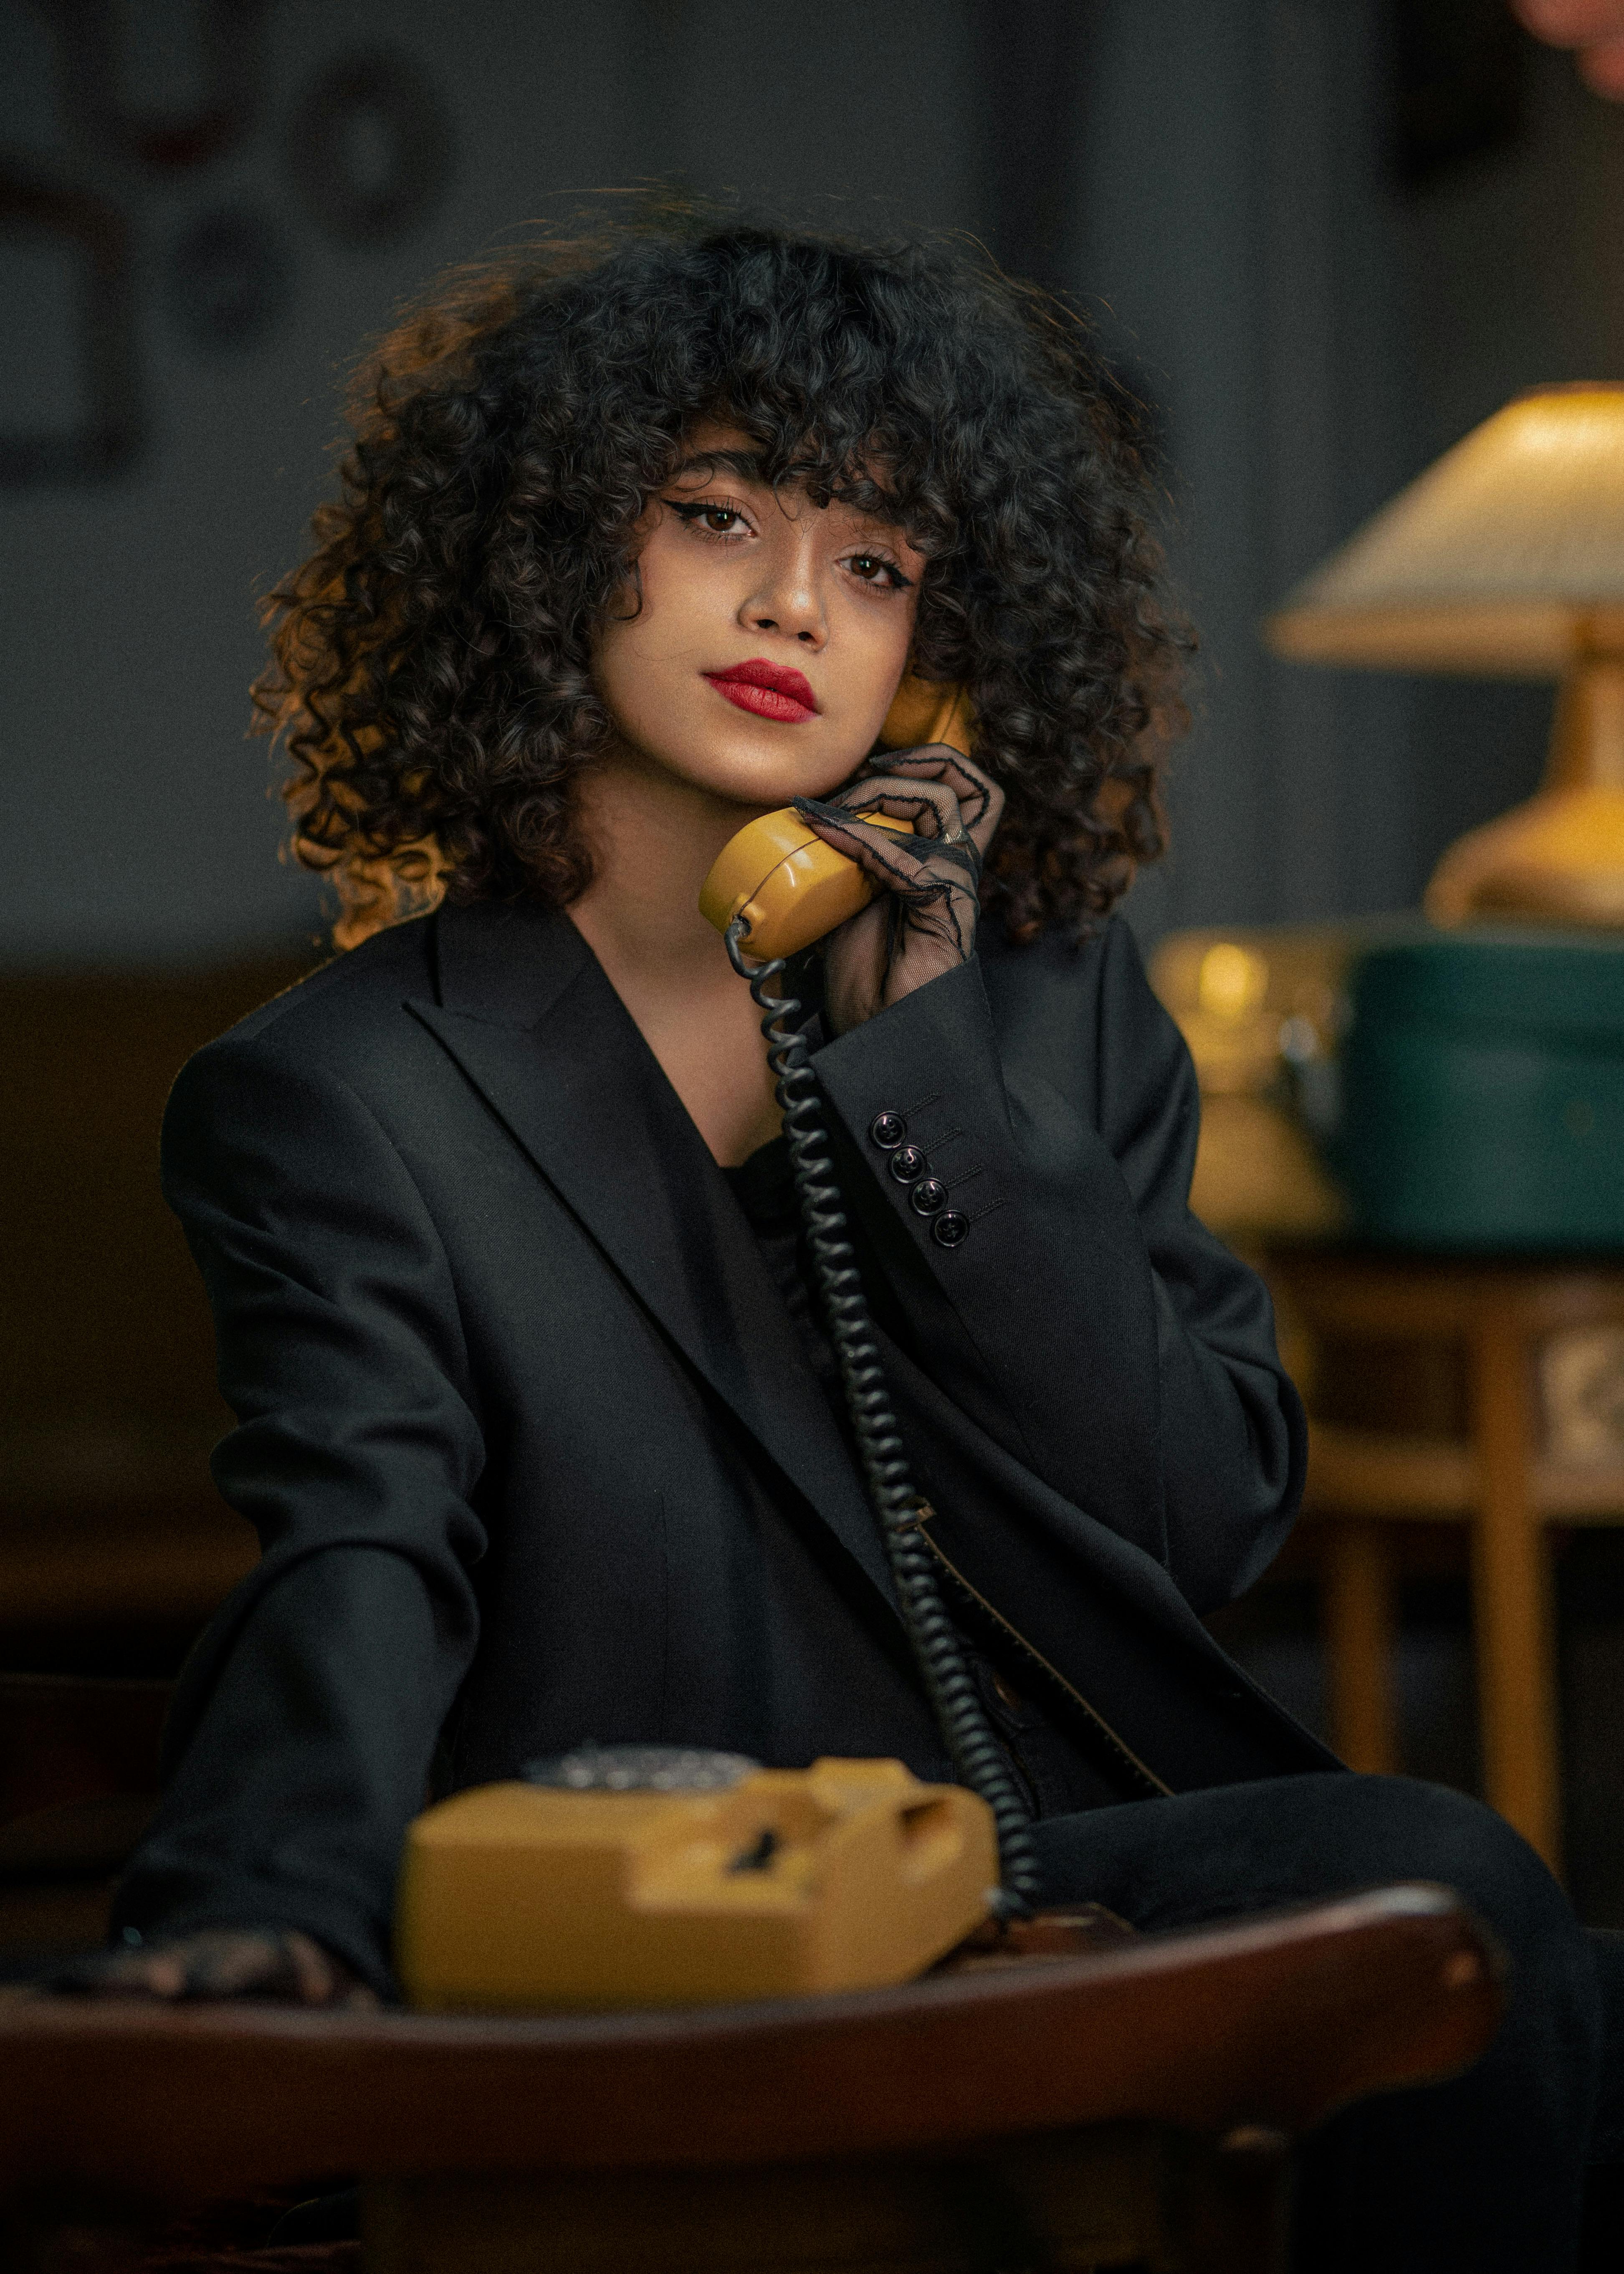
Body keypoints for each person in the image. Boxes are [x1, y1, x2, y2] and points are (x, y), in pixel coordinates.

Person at [66, 217, 1621, 2268]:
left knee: (1517, 1952)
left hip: (1059, 1845)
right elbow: (362, 1544)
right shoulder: (344, 1092)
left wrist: (931, 1077)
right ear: (540, 555)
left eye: (876, 564)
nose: (796, 601)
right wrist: (257, 1908)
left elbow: (1207, 1512)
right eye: (716, 515)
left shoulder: (1041, 1006)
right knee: (1454, 1888)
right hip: (679, 1887)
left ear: (943, 653)